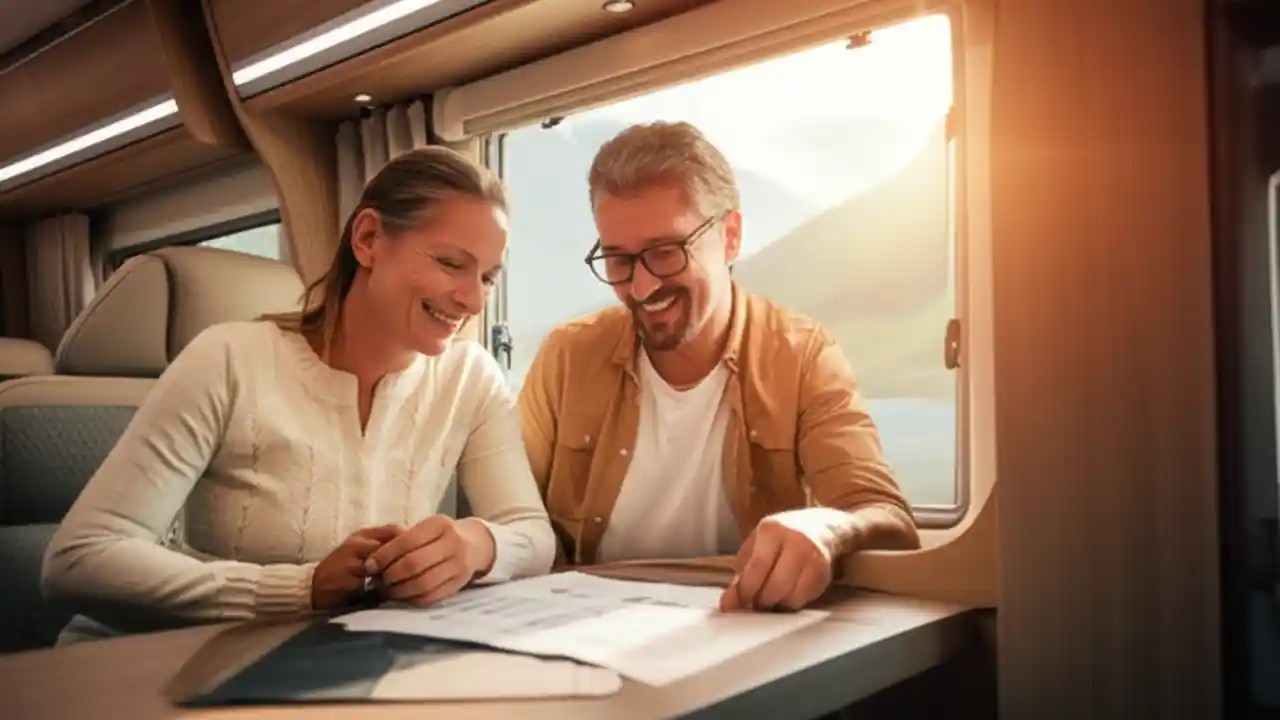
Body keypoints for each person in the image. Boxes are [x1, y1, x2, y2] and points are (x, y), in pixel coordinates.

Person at [43, 147, 555, 640]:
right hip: (164, 658)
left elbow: (532, 533)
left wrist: (478, 546)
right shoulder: (228, 359)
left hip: (336, 663)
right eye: (450, 263)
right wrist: (300, 589)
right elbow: (78, 558)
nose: (473, 301)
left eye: (488, 278)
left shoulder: (471, 376)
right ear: (368, 239)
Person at [518, 122, 920, 612]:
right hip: (577, 624)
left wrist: (829, 528)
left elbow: (890, 522)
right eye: (619, 261)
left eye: (666, 253)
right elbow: (512, 522)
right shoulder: (566, 356)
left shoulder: (802, 356)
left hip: (736, 622)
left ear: (730, 237)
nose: (642, 288)